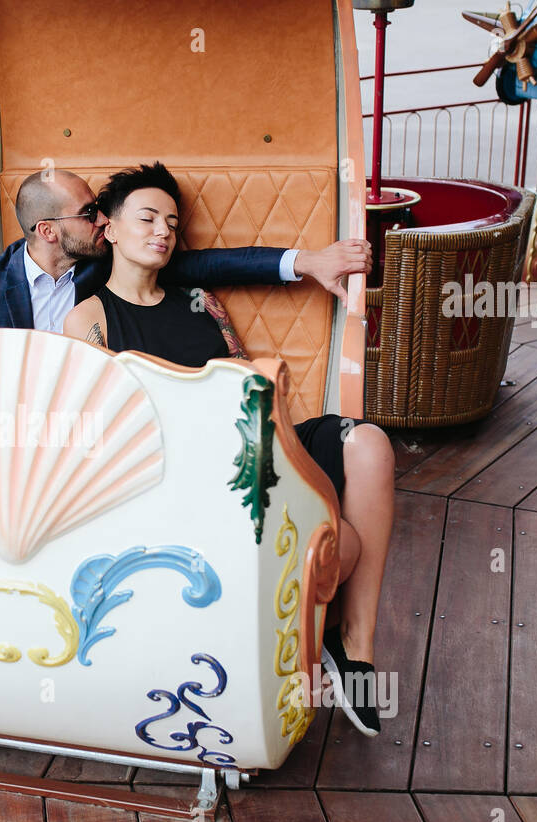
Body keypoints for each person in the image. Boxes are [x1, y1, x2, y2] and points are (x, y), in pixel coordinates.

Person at [64, 163, 393, 737]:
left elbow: (246, 386)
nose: (162, 230)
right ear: (109, 229)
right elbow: (101, 431)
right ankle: (315, 630)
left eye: (170, 221)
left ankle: (356, 649)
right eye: (146, 218)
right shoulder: (90, 319)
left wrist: (266, 390)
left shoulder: (201, 302)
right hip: (183, 475)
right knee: (343, 546)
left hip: (253, 445)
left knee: (368, 443)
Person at [0, 167, 370, 336]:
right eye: (90, 213)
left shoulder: (108, 265)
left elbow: (209, 264)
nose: (104, 222)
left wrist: (309, 261)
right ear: (47, 230)